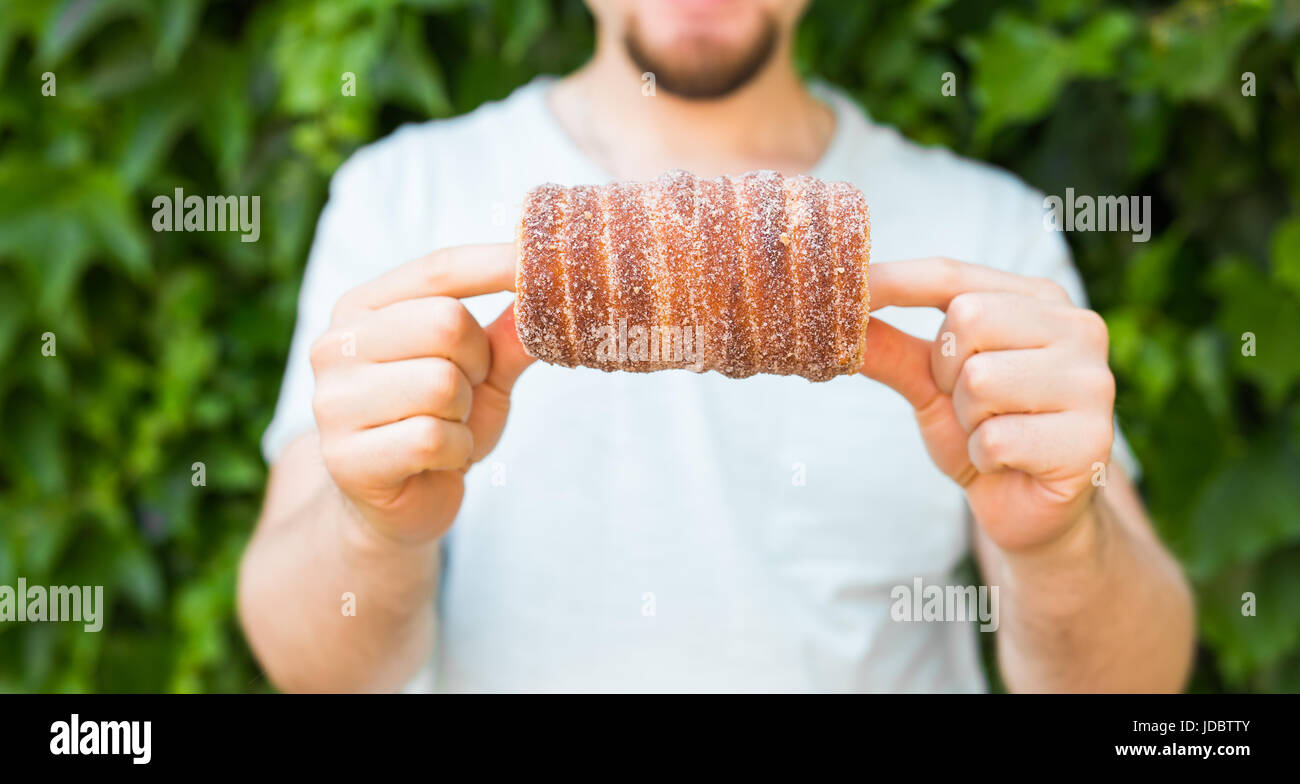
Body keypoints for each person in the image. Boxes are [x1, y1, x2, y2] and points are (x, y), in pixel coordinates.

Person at [238, 0, 1195, 692]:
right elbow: (311, 668)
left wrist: (1062, 545)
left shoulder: (989, 235)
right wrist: (371, 527)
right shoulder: (399, 200)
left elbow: (1137, 693)